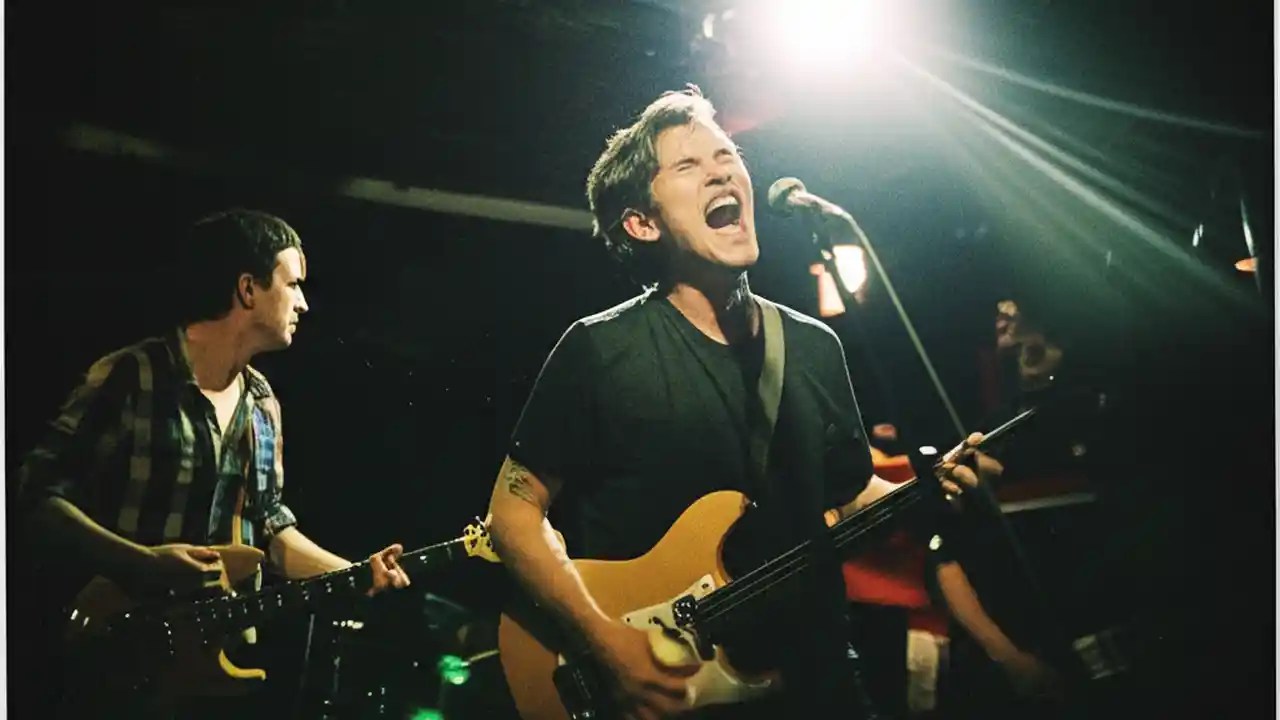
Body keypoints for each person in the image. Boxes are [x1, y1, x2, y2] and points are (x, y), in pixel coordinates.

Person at [485, 86, 986, 719]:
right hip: (677, 689)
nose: (722, 169)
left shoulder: (813, 346)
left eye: (726, 154)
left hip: (819, 680)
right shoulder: (599, 349)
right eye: (688, 166)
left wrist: (932, 486)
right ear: (642, 222)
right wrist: (605, 641)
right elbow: (514, 512)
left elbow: (841, 492)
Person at [14, 209, 412, 717]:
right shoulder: (132, 376)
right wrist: (141, 563)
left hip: (209, 670)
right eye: (293, 284)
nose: (304, 303)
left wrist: (356, 573)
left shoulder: (263, 402)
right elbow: (35, 494)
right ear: (249, 289)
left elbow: (266, 530)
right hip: (115, 654)